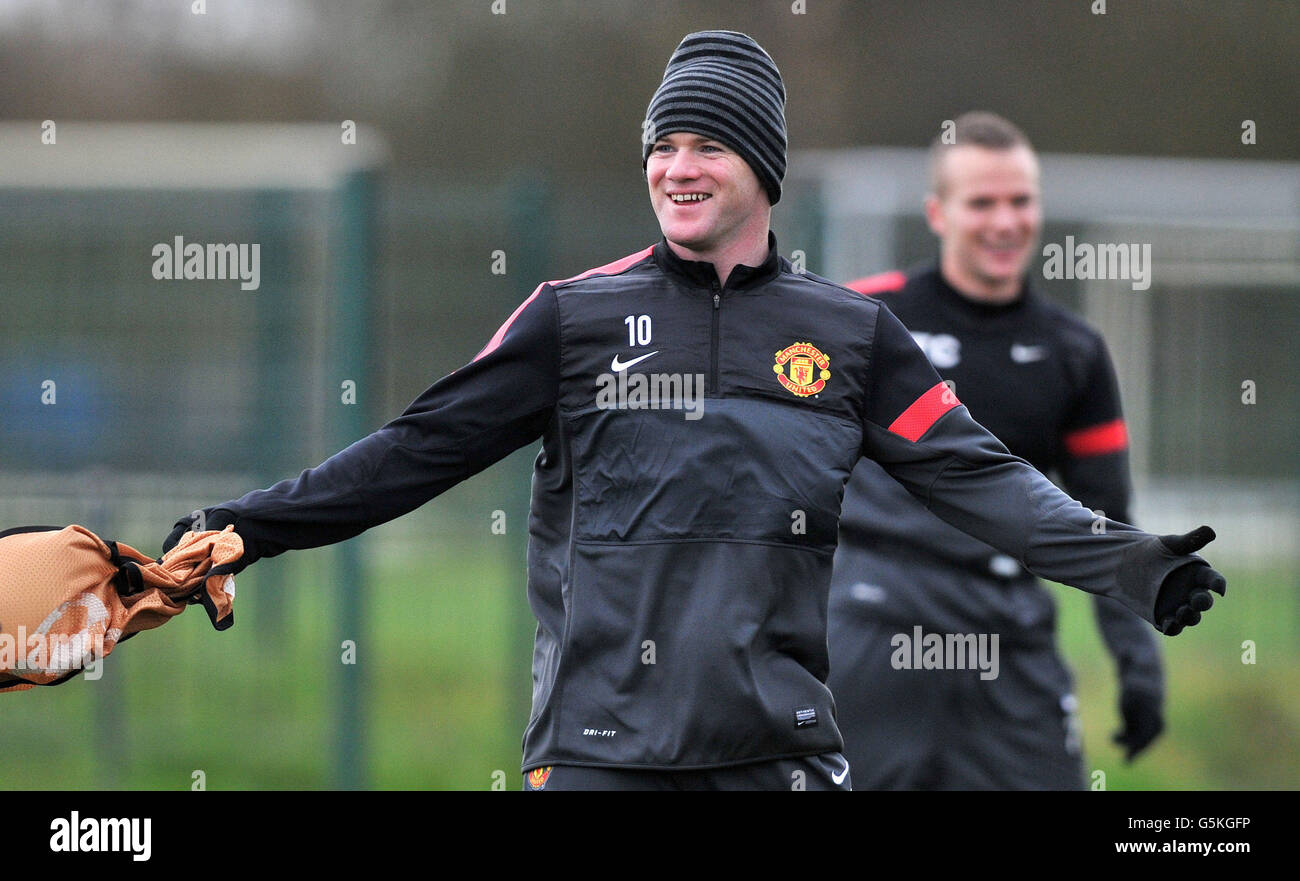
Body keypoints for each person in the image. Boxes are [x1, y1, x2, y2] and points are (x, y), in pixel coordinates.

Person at [164, 34, 1224, 792]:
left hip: (781, 750)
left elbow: (983, 480)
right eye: (661, 146)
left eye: (705, 145)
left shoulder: (849, 335)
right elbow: (413, 449)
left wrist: (1138, 564)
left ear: (760, 167)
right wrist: (251, 526)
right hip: (600, 753)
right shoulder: (570, 320)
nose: (676, 168)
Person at [828, 112, 1166, 789]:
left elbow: (1104, 516)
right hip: (875, 629)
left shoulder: (1075, 351)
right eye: (982, 201)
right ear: (937, 212)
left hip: (1008, 635)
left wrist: (1138, 659)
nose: (1005, 221)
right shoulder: (860, 319)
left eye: (1021, 200)